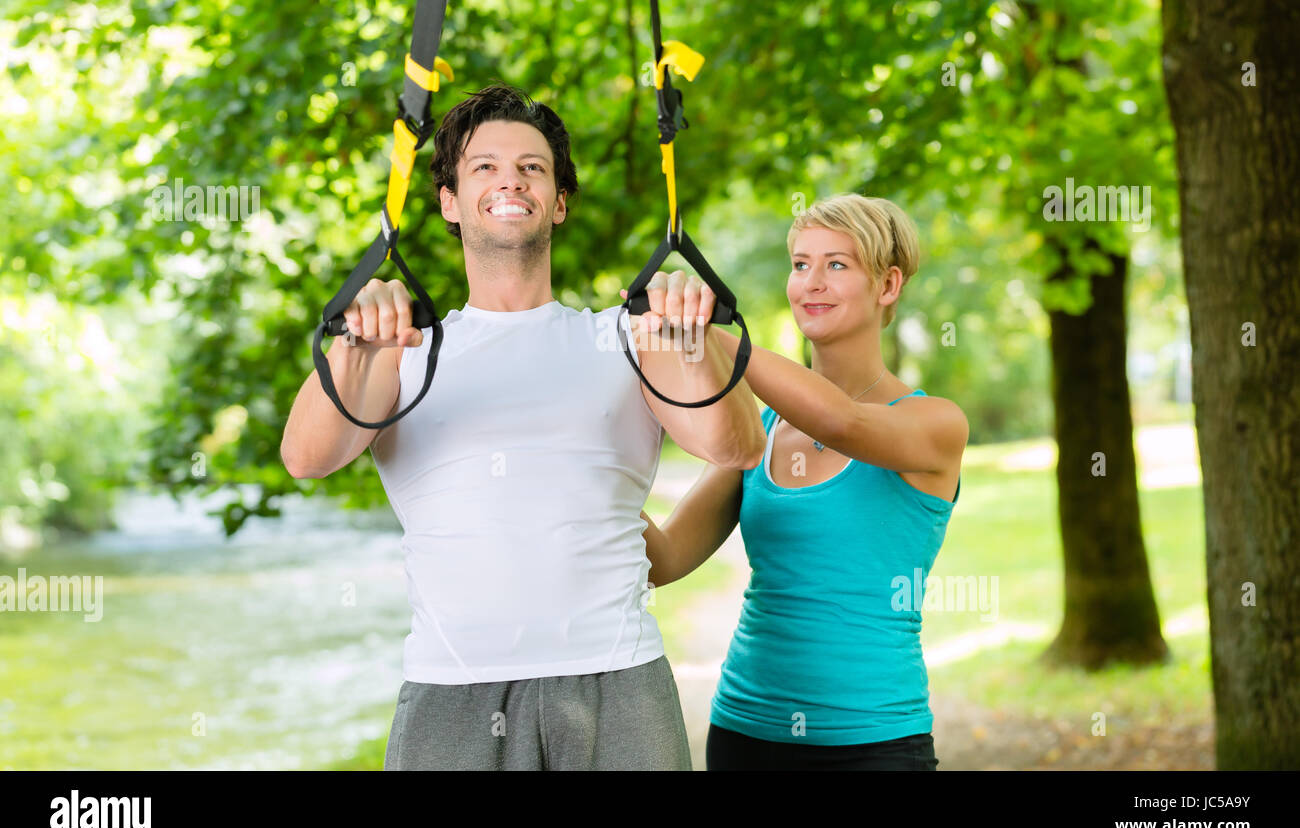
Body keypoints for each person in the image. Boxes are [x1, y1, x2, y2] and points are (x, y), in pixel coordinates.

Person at [279, 84, 766, 770]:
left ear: (559, 202)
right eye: (485, 166)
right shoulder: (405, 349)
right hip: (452, 690)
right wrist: (357, 342)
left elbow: (736, 444)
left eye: (532, 167)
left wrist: (693, 334)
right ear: (449, 201)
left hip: (617, 679)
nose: (511, 178)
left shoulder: (626, 335)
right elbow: (305, 457)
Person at [635, 194, 968, 770]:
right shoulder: (759, 432)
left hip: (873, 744)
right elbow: (663, 561)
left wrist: (711, 334)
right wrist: (591, 476)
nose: (811, 282)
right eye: (800, 264)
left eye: (837, 265)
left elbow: (842, 420)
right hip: (745, 733)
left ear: (887, 285)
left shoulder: (934, 423)